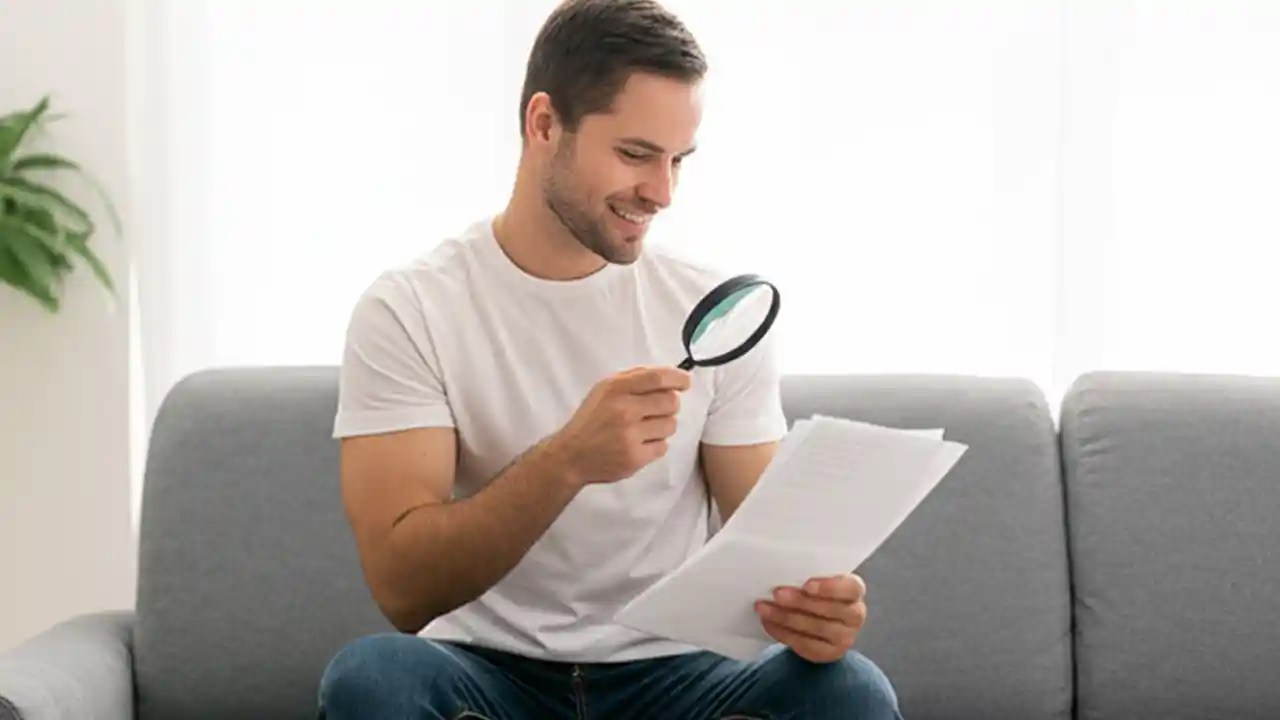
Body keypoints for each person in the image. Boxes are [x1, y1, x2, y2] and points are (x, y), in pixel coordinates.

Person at [318, 1, 902, 718]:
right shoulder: (410, 310)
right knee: (373, 679)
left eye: (677, 161)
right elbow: (403, 591)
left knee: (850, 691)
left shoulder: (712, 312)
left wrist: (817, 612)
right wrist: (568, 460)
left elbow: (771, 554)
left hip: (678, 674)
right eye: (634, 154)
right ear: (543, 125)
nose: (661, 193)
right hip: (487, 675)